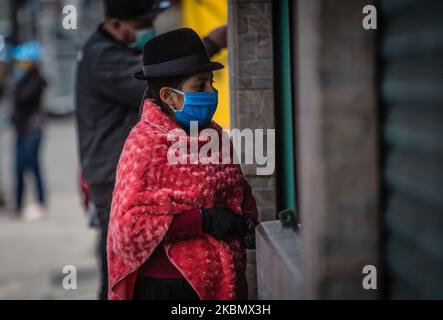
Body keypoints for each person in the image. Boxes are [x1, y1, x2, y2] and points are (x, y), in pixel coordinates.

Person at [75, 0, 228, 300]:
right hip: (112, 176)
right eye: (143, 25)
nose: (149, 31)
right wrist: (209, 44)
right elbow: (153, 76)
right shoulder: (102, 57)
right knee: (120, 272)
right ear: (116, 25)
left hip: (111, 171)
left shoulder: (114, 48)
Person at [107, 28, 258, 300]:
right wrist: (202, 220)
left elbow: (238, 192)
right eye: (200, 86)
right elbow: (128, 229)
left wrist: (245, 221)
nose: (211, 92)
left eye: (211, 83)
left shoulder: (214, 136)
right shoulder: (145, 143)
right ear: (169, 96)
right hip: (167, 289)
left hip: (223, 282)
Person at [11, 41, 47, 220]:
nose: (20, 65)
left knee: (34, 168)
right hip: (20, 130)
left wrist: (17, 84)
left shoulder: (36, 81)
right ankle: (17, 205)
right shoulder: (22, 79)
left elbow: (23, 99)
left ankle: (41, 203)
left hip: (32, 131)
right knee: (17, 169)